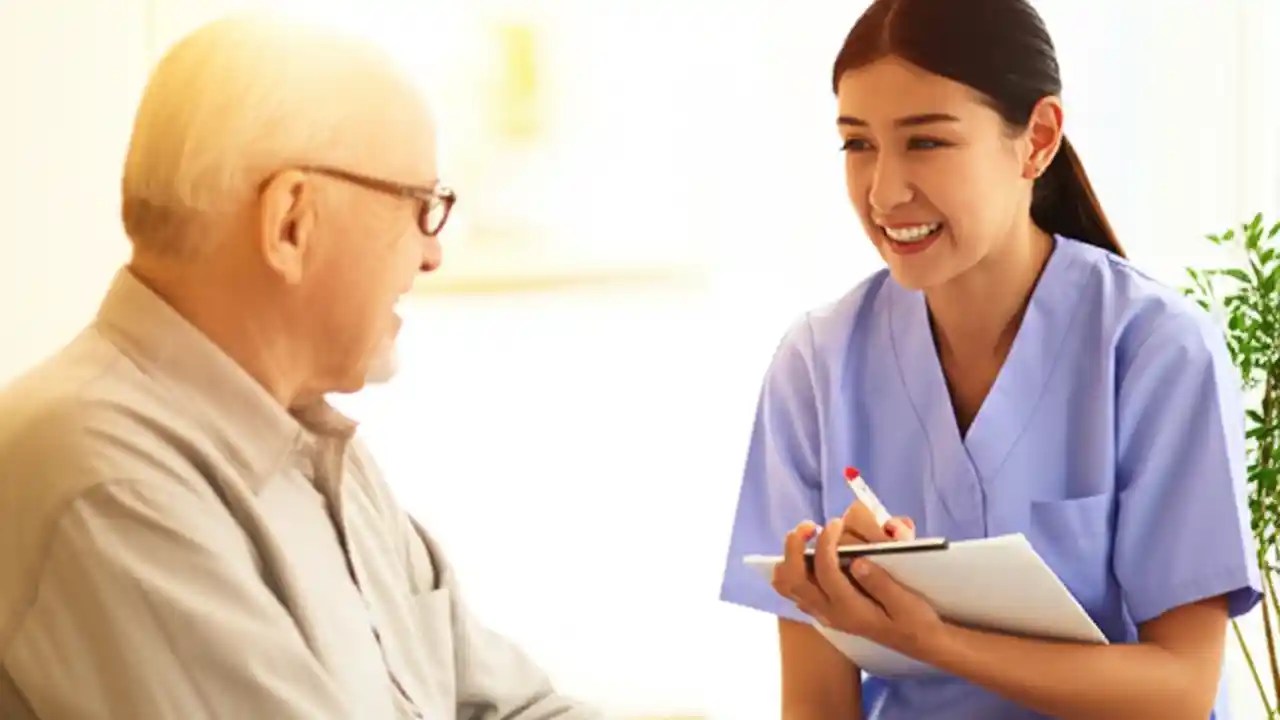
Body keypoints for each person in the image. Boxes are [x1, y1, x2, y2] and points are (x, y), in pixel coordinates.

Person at [0, 14, 600, 720]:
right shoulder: (104, 480)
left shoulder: (320, 457)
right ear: (291, 220)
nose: (432, 254)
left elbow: (511, 709)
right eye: (420, 208)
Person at [718, 0, 1264, 718]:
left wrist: (931, 635)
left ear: (1035, 141)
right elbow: (818, 705)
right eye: (858, 145)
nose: (883, 192)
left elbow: (1180, 692)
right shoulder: (816, 366)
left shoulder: (1154, 349)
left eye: (927, 143)